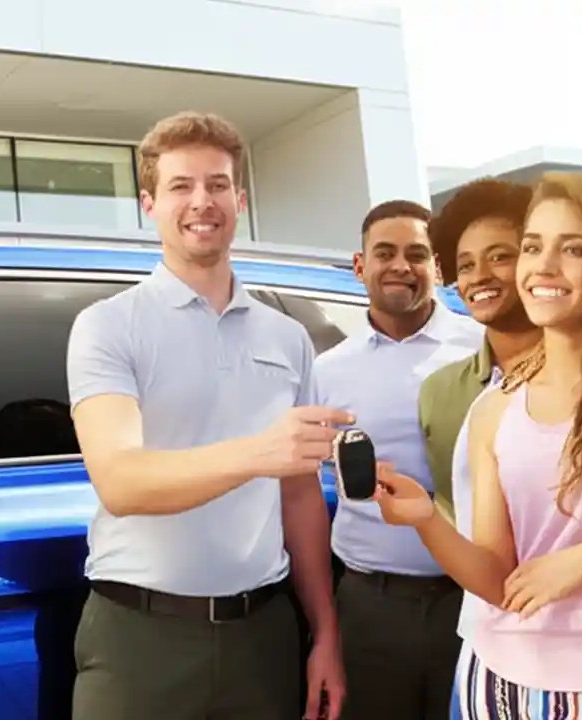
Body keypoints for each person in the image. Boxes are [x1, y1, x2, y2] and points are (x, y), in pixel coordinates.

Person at [65, 111, 348, 720]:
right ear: (149, 203)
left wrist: (325, 634)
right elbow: (121, 481)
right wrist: (258, 452)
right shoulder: (109, 326)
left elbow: (299, 497)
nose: (202, 201)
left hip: (262, 636)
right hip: (140, 636)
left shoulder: (288, 337)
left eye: (218, 184)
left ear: (239, 199)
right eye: (181, 186)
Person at [376, 171, 582, 717]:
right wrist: (425, 518)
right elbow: (498, 579)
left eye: (575, 249)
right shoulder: (494, 409)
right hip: (497, 684)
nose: (543, 267)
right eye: (535, 246)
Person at [314, 198, 483, 720]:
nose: (401, 266)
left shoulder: (484, 349)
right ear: (360, 265)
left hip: (473, 600)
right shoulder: (326, 371)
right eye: (384, 252)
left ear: (437, 266)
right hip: (371, 605)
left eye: (417, 253)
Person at [416, 178, 544, 719]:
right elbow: (461, 518)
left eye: (501, 257)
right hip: (487, 652)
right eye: (465, 264)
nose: (479, 277)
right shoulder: (446, 393)